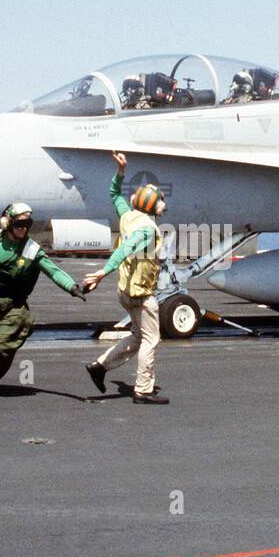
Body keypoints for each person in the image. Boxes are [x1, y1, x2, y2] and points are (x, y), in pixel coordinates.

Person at [0, 203, 85, 398]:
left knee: (4, 347)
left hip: (13, 305)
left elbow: (53, 271)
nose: (23, 229)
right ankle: (2, 354)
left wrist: (72, 287)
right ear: (8, 223)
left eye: (27, 225)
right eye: (19, 224)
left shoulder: (32, 250)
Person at [82, 152, 168, 404]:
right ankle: (143, 390)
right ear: (155, 207)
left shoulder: (127, 215)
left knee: (138, 336)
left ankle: (100, 366)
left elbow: (114, 195)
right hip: (140, 294)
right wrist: (102, 271)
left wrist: (120, 172)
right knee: (151, 340)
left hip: (125, 292)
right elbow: (124, 249)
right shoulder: (146, 229)